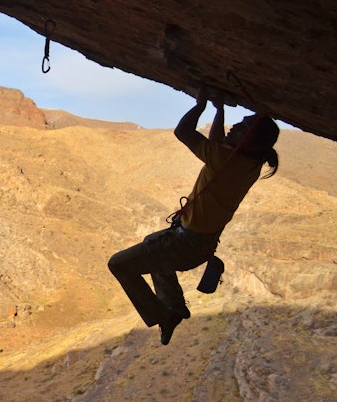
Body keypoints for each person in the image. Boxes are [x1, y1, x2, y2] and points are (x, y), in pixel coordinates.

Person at [108, 86, 279, 345]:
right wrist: (219, 110)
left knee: (118, 264)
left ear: (251, 141)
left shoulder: (224, 159)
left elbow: (183, 132)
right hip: (198, 245)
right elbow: (218, 143)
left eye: (242, 127)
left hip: (184, 244)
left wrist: (201, 106)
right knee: (151, 245)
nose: (235, 127)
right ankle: (174, 306)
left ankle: (164, 315)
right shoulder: (250, 165)